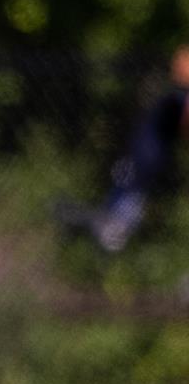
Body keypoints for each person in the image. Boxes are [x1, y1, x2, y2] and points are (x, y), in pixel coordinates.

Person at [57, 46, 189, 252]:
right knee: (127, 197)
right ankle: (101, 233)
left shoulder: (173, 96)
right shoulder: (178, 96)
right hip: (146, 155)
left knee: (128, 195)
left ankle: (96, 227)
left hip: (147, 154)